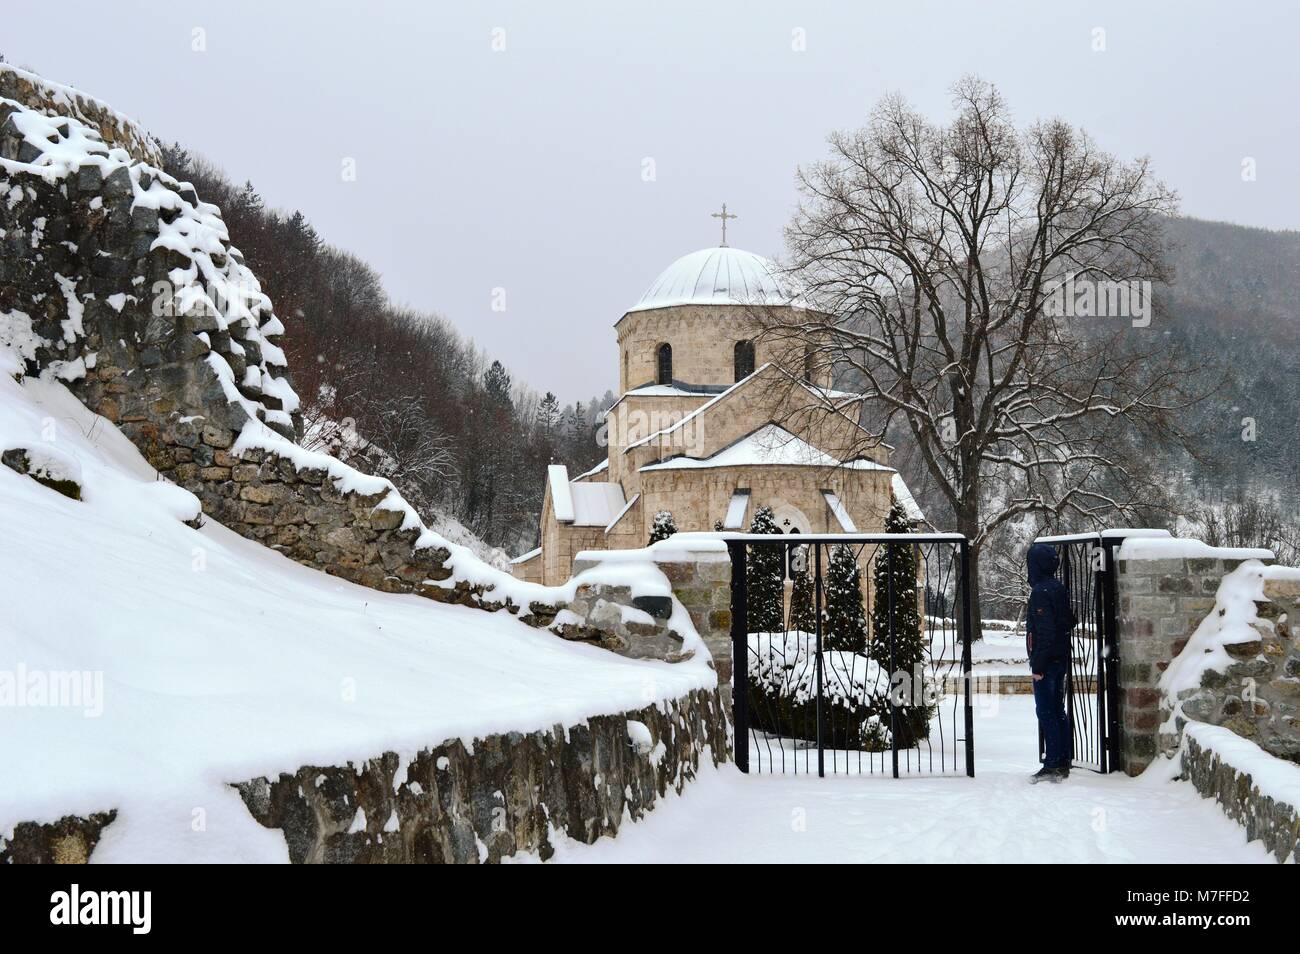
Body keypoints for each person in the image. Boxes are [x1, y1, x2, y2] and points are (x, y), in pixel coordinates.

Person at [1025, 543, 1077, 783]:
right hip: (1060, 658)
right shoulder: (1058, 588)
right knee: (1057, 710)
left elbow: (1044, 632)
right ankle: (1063, 758)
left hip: (1047, 662)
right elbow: (1068, 621)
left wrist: (1038, 665)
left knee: (1046, 711)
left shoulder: (1040, 592)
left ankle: (1054, 763)